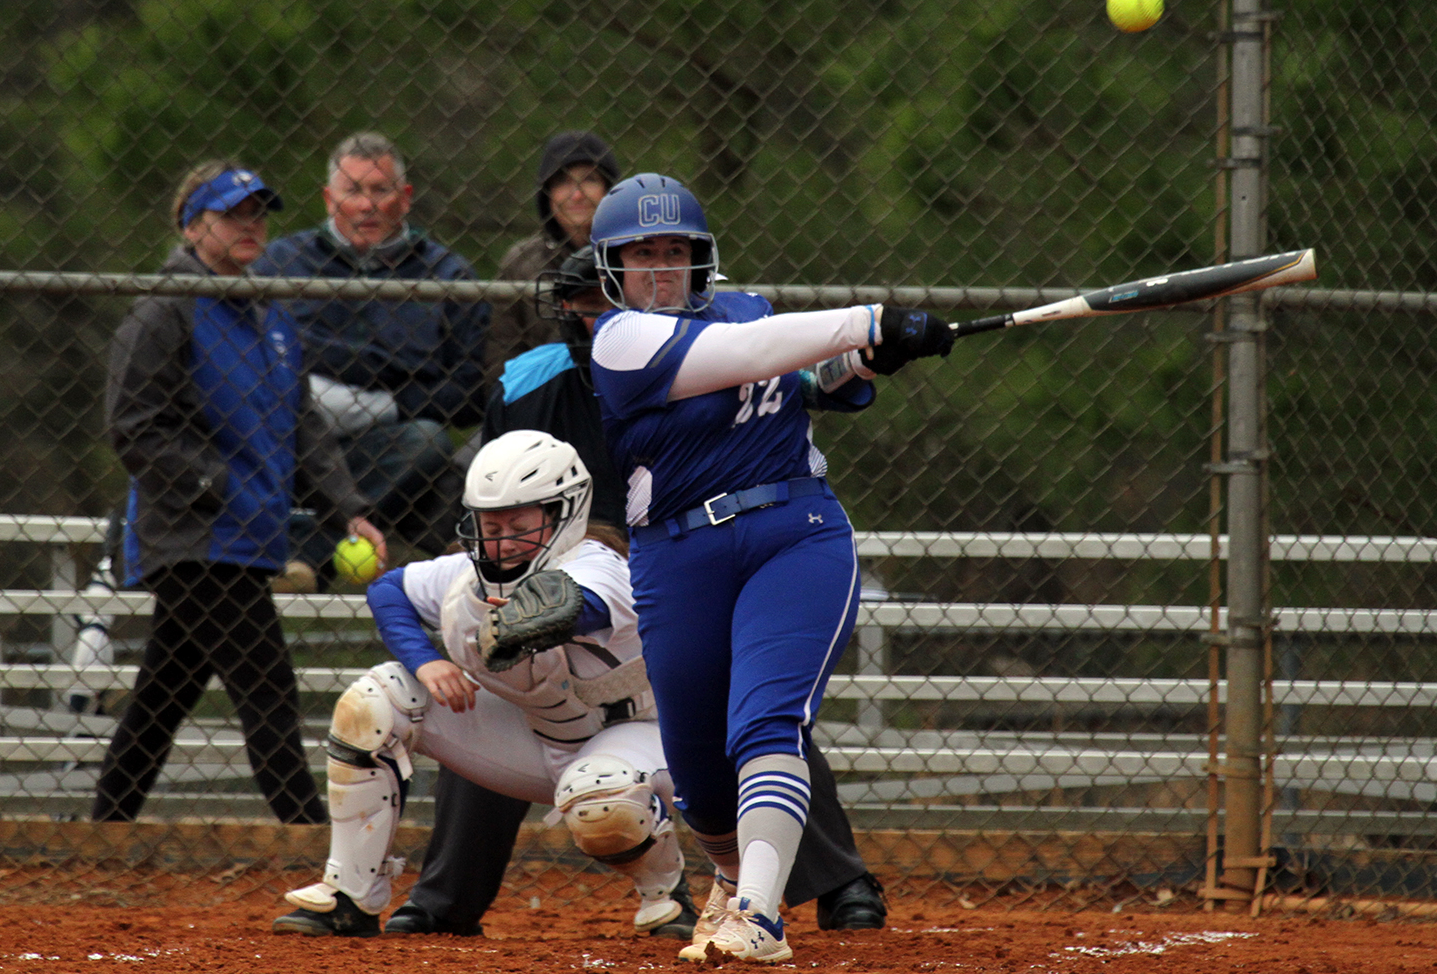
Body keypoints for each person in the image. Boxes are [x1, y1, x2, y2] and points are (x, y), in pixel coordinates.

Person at [383, 246, 888, 937]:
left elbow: (783, 404)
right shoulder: (532, 380)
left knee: (753, 702)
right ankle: (446, 897)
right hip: (552, 562)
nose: (600, 319)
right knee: (500, 667)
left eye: (610, 303)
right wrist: (489, 575)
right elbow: (487, 493)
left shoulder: (706, 354)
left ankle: (834, 880)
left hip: (664, 554)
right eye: (585, 305)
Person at [587, 173, 953, 962]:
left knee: (765, 720)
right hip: (677, 555)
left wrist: (869, 357)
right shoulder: (618, 341)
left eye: (674, 252)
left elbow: (801, 380)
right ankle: (731, 876)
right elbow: (741, 356)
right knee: (698, 775)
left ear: (700, 259)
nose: (659, 268)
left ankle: (759, 911)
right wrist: (866, 319)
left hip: (794, 531)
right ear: (612, 267)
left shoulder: (747, 307)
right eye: (641, 253)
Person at [273, 431, 696, 938]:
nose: (501, 540)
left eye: (520, 524)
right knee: (377, 699)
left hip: (633, 738)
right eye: (490, 525)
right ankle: (350, 896)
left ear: (565, 515)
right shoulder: (468, 575)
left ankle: (666, 898)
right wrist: (426, 661)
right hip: (532, 741)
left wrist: (533, 619)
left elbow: (588, 606)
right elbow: (389, 589)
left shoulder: (599, 565)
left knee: (599, 795)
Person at [94, 160, 386, 825]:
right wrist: (216, 484)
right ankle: (316, 841)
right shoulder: (164, 309)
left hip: (248, 535)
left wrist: (349, 509)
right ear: (195, 227)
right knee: (269, 691)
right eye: (234, 213)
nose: (251, 225)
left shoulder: (267, 309)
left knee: (162, 696)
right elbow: (133, 427)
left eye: (258, 212)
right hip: (196, 537)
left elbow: (303, 422)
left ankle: (105, 831)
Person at [258, 132, 489, 562]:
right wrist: (311, 398)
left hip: (384, 451)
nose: (367, 205)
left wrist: (383, 406)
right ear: (329, 199)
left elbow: (471, 390)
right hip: (293, 440)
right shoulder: (281, 263)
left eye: (380, 190)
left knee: (429, 443)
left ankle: (304, 556)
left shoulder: (448, 272)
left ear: (405, 197)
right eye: (353, 191)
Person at [485, 131, 621, 374]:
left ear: (609, 188)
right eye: (562, 182)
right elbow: (502, 352)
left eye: (589, 179)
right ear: (546, 195)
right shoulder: (522, 261)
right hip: (545, 394)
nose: (576, 194)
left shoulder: (634, 254)